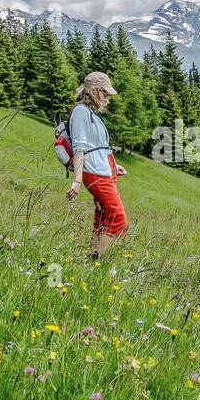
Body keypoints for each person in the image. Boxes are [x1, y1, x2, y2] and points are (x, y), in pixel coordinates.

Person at [65, 72, 128, 260]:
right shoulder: (81, 112)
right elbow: (79, 147)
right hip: (95, 173)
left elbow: (100, 146)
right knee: (118, 219)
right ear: (93, 92)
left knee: (104, 216)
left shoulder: (92, 114)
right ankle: (96, 260)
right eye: (104, 93)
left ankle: (90, 256)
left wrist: (114, 166)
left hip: (104, 170)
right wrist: (77, 181)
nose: (107, 98)